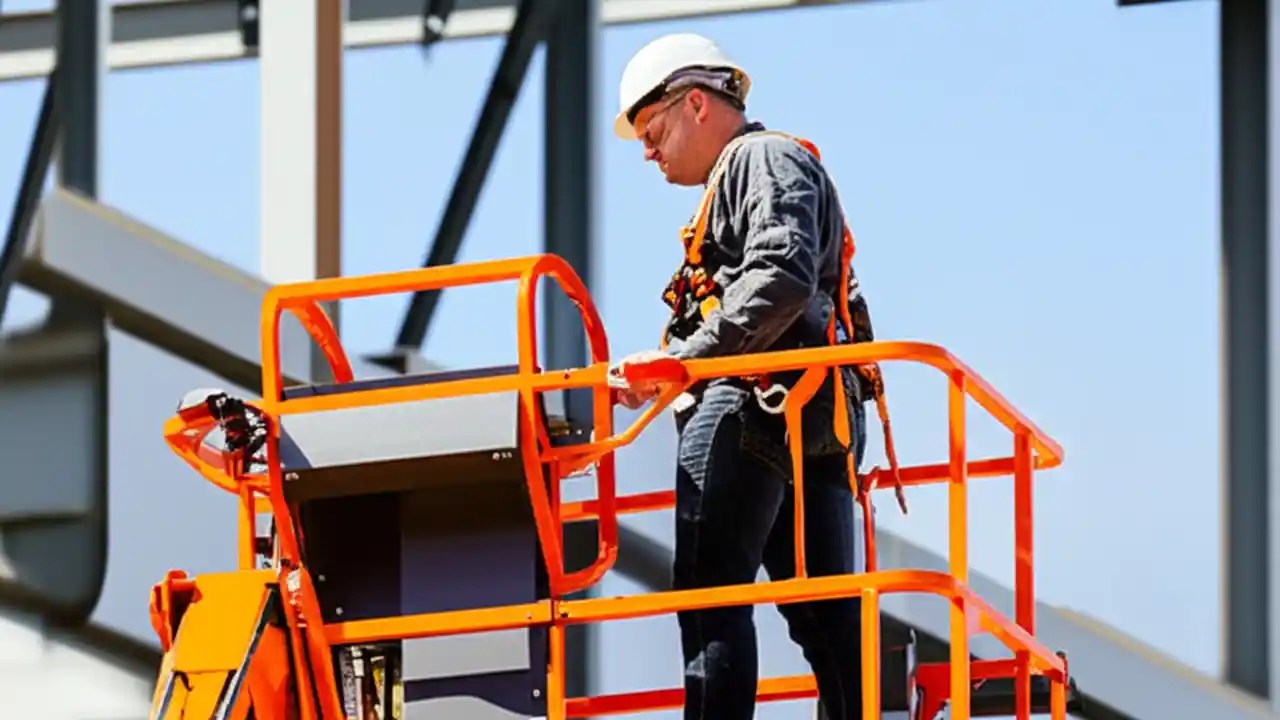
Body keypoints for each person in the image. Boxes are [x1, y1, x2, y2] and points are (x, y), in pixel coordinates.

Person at [607, 32, 879, 720]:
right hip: (804, 411)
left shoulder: (759, 157)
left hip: (755, 401)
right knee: (823, 618)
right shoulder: (760, 171)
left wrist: (684, 362)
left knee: (710, 596)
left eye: (652, 129)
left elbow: (779, 276)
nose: (648, 152)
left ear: (696, 103)